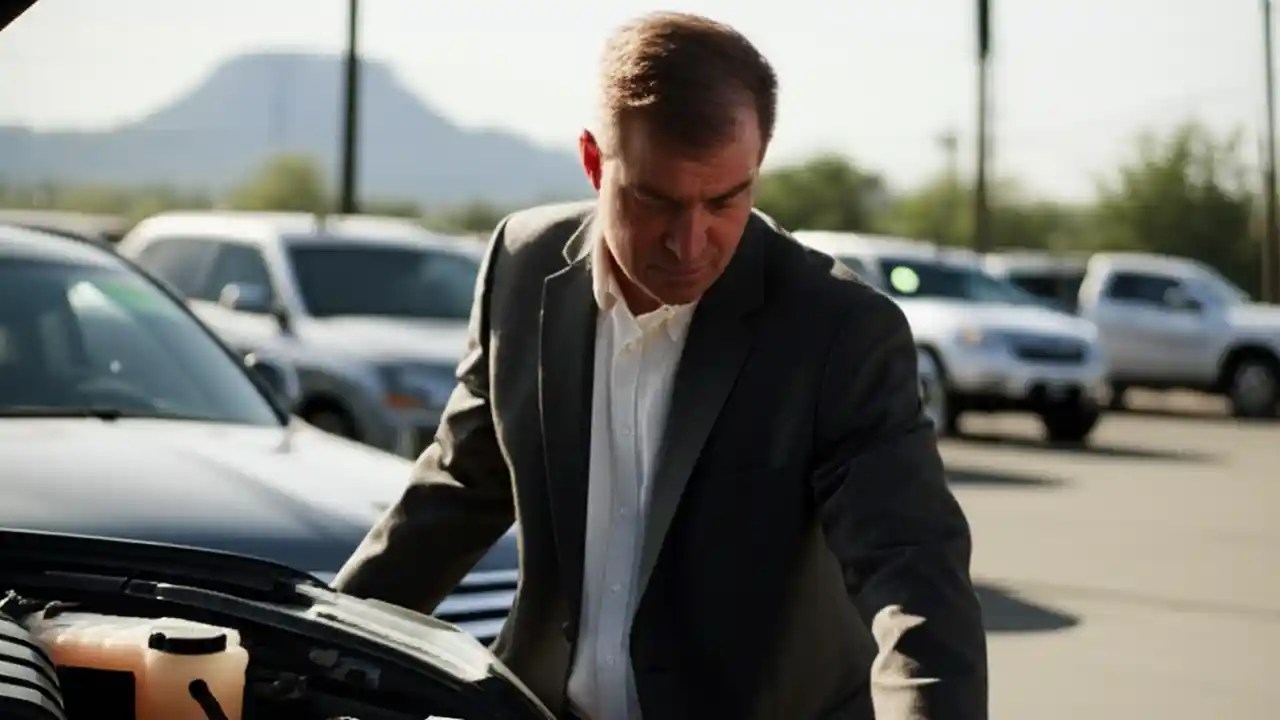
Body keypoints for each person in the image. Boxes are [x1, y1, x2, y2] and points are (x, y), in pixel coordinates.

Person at [334, 11, 987, 720]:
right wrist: (319, 642)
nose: (689, 242)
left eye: (724, 201)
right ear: (593, 161)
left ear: (758, 166)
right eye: (655, 200)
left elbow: (913, 571)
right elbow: (460, 485)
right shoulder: (521, 265)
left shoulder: (839, 330)